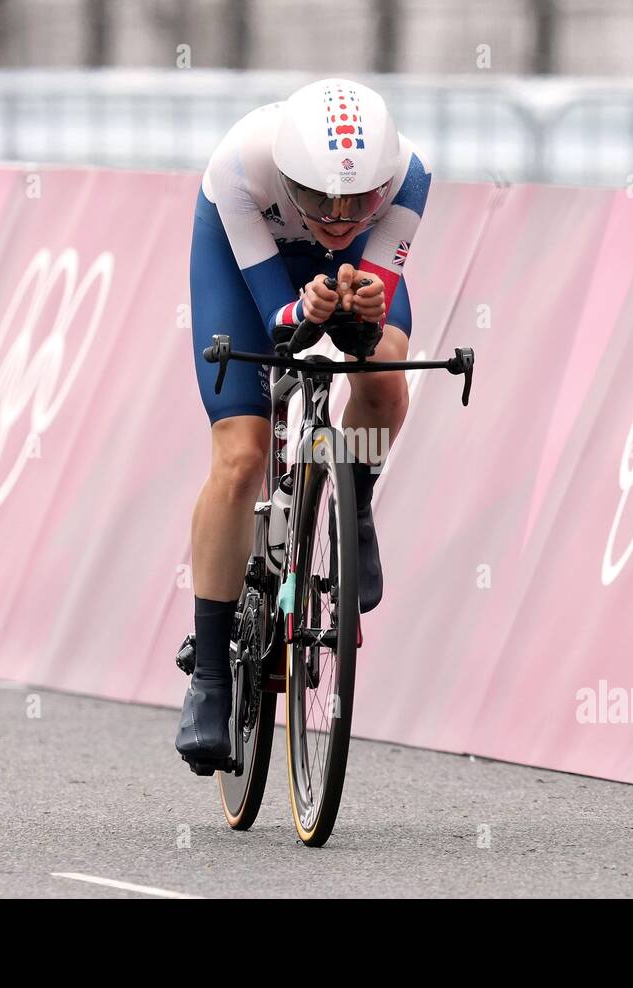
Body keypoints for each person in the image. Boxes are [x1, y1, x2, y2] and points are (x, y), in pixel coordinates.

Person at [176, 78, 432, 768]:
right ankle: (208, 677)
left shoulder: (408, 177)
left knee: (385, 369)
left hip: (338, 279)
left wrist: (366, 307)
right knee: (240, 455)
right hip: (247, 266)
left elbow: (367, 331)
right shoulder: (241, 166)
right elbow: (276, 321)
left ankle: (356, 501)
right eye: (320, 198)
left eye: (360, 199)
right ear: (289, 179)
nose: (342, 216)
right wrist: (303, 311)